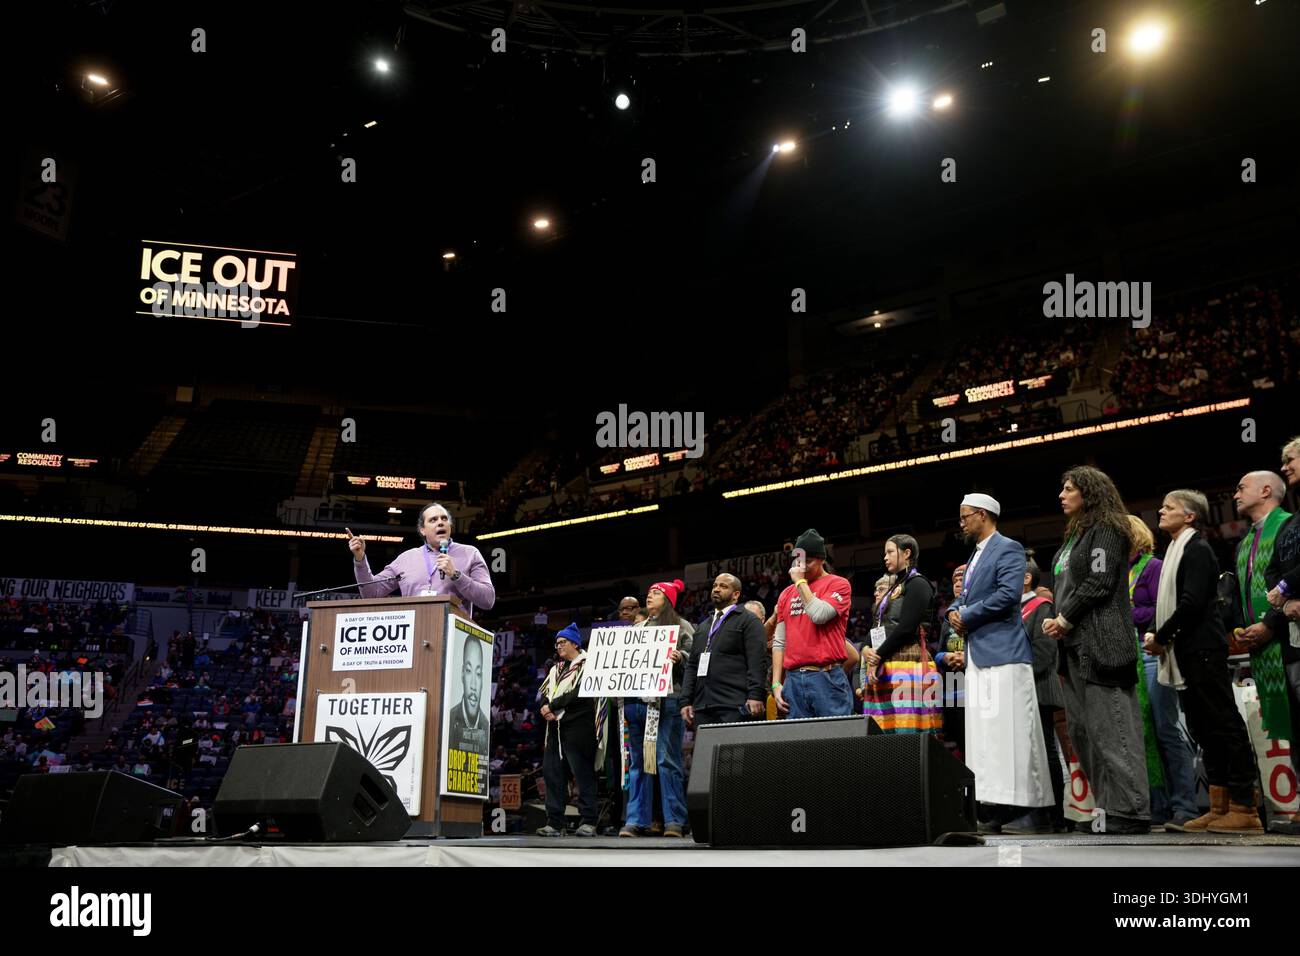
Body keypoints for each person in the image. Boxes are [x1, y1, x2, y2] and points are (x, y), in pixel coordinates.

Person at [1144, 490, 1262, 834]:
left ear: (1190, 516)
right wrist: (1159, 632)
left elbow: (1192, 603)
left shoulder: (1197, 549)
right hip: (1186, 653)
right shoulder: (1174, 551)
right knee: (1204, 730)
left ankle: (1245, 808)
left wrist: (1161, 636)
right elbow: (1175, 604)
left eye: (1169, 507)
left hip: (1204, 650)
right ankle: (1219, 805)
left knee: (1225, 726)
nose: (1161, 512)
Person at [1044, 467, 1150, 834]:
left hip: (1103, 644)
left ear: (1088, 494)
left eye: (1069, 488)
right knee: (1084, 733)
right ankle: (1109, 805)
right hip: (1073, 648)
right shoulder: (1076, 536)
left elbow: (1100, 582)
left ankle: (1132, 810)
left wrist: (1064, 618)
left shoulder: (1107, 528)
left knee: (1113, 729)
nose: (1062, 494)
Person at [948, 493, 1053, 833]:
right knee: (989, 737)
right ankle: (998, 808)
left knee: (1015, 735)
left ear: (983, 514)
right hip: (980, 653)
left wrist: (967, 614)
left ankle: (1031, 809)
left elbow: (1008, 595)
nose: (961, 522)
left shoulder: (1007, 547)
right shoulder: (976, 554)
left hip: (1005, 652)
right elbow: (964, 598)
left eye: (966, 516)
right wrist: (954, 611)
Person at [1127, 514, 1199, 832]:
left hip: (1153, 655)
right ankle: (1158, 804)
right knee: (1143, 734)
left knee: (1165, 730)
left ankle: (1186, 805)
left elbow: (1163, 608)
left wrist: (1126, 612)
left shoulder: (1153, 566)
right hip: (1129, 658)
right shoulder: (1118, 573)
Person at [619, 579, 693, 837]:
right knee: (638, 763)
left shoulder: (681, 626)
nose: (649, 597)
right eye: (648, 593)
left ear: (669, 599)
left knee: (666, 760)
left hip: (668, 699)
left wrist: (680, 657)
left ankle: (675, 820)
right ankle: (636, 819)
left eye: (656, 593)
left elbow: (693, 660)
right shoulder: (638, 629)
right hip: (637, 701)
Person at [1006, 555, 1067, 834]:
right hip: (1018, 691)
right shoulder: (1012, 609)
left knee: (1045, 753)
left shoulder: (1041, 606)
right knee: (1026, 755)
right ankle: (1033, 812)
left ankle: (1054, 816)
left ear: (1026, 578)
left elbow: (1044, 653)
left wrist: (1018, 679)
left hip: (1037, 688)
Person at [346, 503, 495, 617]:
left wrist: (456, 575)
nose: (440, 522)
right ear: (422, 530)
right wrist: (360, 559)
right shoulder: (406, 559)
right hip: (413, 637)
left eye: (444, 519)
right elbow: (371, 593)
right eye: (433, 520)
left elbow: (488, 600)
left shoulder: (470, 553)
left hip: (453, 636)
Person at [859, 536, 940, 734]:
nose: (885, 557)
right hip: (886, 665)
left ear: (907, 553)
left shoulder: (918, 583)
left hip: (908, 663)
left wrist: (877, 655)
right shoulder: (894, 587)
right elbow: (877, 625)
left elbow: (906, 628)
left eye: (890, 552)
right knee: (883, 731)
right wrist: (866, 648)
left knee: (907, 732)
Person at [771, 529, 854, 719]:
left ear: (822, 559)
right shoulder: (786, 593)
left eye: (808, 562)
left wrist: (800, 582)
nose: (802, 567)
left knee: (836, 742)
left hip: (827, 678)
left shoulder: (839, 584)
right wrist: (776, 683)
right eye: (798, 562)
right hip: (793, 680)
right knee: (799, 746)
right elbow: (779, 642)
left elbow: (819, 615)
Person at [1262, 437, 1300, 832]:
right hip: (1293, 636)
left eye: (1289, 460)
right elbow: (1271, 572)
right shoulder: (1290, 523)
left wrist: (1287, 588)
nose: (1285, 467)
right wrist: (1285, 601)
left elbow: (1283, 578)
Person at [537, 623, 601, 837]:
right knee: (552, 773)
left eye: (562, 642)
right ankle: (555, 822)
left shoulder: (588, 663)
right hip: (555, 727)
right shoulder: (556, 668)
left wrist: (552, 705)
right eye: (556, 644)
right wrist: (545, 706)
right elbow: (546, 692)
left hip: (579, 726)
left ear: (575, 642)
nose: (558, 647)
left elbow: (580, 693)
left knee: (582, 774)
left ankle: (589, 820)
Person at [682, 574, 767, 727]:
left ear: (736, 595)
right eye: (715, 585)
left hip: (734, 705)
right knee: (706, 751)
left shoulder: (748, 620)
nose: (717, 589)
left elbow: (757, 661)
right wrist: (686, 700)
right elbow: (692, 665)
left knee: (735, 751)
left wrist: (756, 695)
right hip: (703, 706)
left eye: (723, 586)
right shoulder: (703, 627)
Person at [447, 634, 489, 757]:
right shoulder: (449, 720)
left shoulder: (486, 725)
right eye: (469, 671)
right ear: (462, 674)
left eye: (478, 673)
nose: (473, 685)